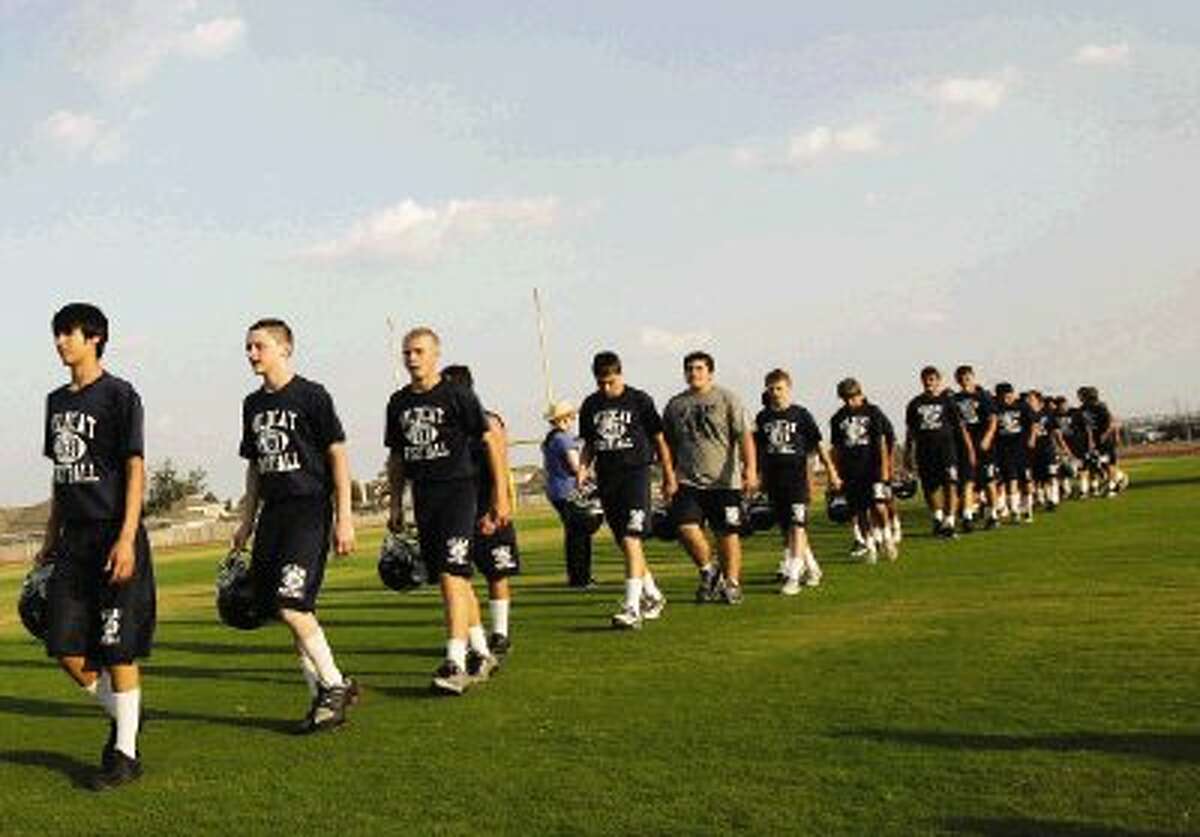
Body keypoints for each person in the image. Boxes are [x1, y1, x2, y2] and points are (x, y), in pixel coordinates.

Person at [36, 302, 156, 789]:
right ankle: (126, 715)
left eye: (70, 333)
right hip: (74, 538)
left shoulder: (120, 395)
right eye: (58, 333)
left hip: (113, 531)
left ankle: (124, 754)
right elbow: (62, 475)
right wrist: (49, 535)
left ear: (96, 339)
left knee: (116, 647)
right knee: (62, 644)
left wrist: (127, 537)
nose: (62, 341)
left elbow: (134, 468)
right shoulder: (56, 401)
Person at [231, 318, 357, 732]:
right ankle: (319, 699)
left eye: (259, 346)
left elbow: (337, 454)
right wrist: (246, 521)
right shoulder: (252, 405)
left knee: (292, 604)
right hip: (273, 515)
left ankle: (335, 686)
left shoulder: (311, 396)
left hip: (309, 509)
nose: (251, 354)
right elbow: (255, 467)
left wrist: (345, 517)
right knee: (288, 610)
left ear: (284, 348)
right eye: (248, 347)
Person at [385, 328, 509, 694]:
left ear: (435, 354)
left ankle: (455, 660)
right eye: (407, 352)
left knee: (453, 576)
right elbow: (397, 457)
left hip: (459, 492)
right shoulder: (398, 403)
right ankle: (482, 652)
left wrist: (500, 495)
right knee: (449, 577)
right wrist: (395, 502)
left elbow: (491, 442)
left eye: (419, 351)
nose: (412, 358)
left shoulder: (458, 394)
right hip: (425, 497)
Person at [578, 351, 676, 628]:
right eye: (600, 383)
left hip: (635, 474)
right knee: (625, 542)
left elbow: (659, 439)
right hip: (608, 479)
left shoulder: (639, 400)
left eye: (610, 381)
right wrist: (582, 470)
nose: (606, 388)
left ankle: (632, 606)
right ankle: (653, 594)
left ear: (620, 374)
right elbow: (589, 444)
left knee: (632, 538)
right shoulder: (591, 404)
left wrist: (669, 475)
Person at [663, 351, 758, 604]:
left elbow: (745, 436)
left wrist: (750, 469)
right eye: (690, 369)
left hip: (724, 482)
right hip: (688, 481)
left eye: (699, 368)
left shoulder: (727, 399)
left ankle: (732, 583)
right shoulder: (675, 405)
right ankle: (709, 570)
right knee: (685, 528)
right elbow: (667, 445)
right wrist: (668, 476)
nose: (694, 373)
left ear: (710, 372)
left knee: (726, 533)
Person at [442, 364, 519, 657]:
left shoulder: (488, 422)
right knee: (460, 574)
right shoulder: (448, 425)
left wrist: (496, 508)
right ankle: (476, 639)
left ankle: (500, 633)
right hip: (459, 507)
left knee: (497, 571)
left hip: (487, 505)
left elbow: (499, 467)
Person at [755, 369, 841, 594]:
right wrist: (757, 477)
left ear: (789, 388)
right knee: (787, 528)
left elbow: (818, 447)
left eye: (779, 388)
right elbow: (759, 451)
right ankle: (812, 568)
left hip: (796, 478)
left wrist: (830, 471)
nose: (775, 393)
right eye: (771, 389)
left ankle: (793, 575)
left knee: (797, 526)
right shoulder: (763, 418)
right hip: (774, 480)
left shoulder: (801, 415)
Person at [829, 378, 896, 562]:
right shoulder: (837, 419)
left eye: (852, 397)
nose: (850, 402)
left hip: (872, 467)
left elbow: (881, 441)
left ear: (860, 394)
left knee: (879, 505)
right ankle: (870, 545)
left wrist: (884, 468)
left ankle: (887, 536)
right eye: (845, 399)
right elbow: (836, 447)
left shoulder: (873, 412)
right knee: (860, 510)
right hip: (851, 470)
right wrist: (834, 472)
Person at [904, 366, 974, 538]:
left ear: (938, 381)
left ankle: (949, 521)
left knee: (950, 483)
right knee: (930, 487)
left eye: (932, 379)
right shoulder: (915, 404)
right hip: (925, 450)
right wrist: (907, 451)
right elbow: (910, 430)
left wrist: (969, 449)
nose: (929, 383)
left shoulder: (948, 402)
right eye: (926, 380)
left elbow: (961, 427)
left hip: (946, 449)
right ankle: (938, 517)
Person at [541, 399, 594, 588]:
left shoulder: (550, 439)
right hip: (568, 491)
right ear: (566, 418)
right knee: (580, 535)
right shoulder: (564, 439)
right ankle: (581, 578)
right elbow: (575, 466)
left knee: (573, 535)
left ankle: (578, 576)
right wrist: (589, 476)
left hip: (556, 491)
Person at [952, 365, 999, 531]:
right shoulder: (954, 399)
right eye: (961, 378)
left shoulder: (983, 396)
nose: (964, 381)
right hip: (964, 446)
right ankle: (967, 517)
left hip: (984, 446)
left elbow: (993, 419)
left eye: (967, 377)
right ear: (957, 380)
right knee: (967, 481)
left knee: (988, 481)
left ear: (973, 377)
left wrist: (987, 438)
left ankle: (993, 515)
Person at [993, 382, 1035, 522]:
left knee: (1026, 481)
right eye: (1003, 397)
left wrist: (1031, 439)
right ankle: (1015, 511)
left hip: (1021, 448)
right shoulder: (996, 408)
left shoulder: (1022, 406)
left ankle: (1027, 509)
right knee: (1011, 480)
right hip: (1003, 450)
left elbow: (1033, 423)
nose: (1006, 400)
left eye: (1008, 396)